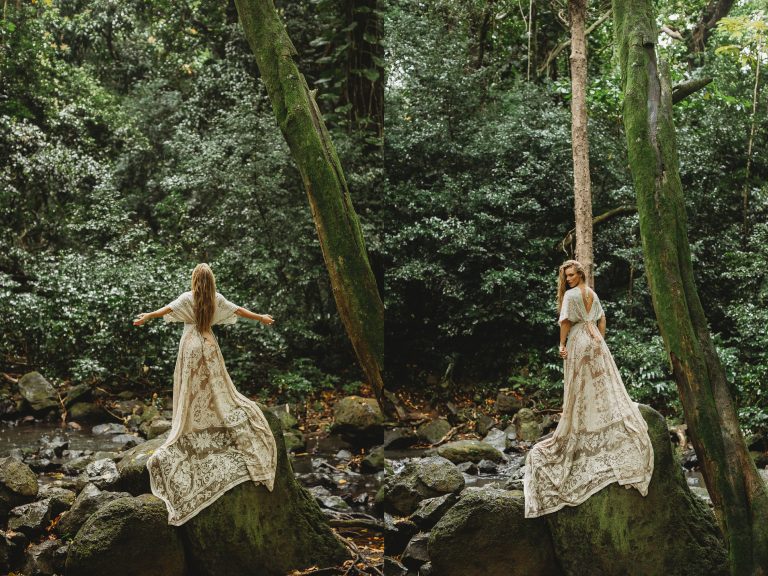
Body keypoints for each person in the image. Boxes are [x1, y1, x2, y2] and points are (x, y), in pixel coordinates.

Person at [133, 263, 278, 525]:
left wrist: (146, 317)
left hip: (191, 346)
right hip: (209, 345)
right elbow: (238, 310)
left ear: (194, 280)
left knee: (191, 387)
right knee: (215, 385)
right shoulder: (216, 299)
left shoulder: (187, 299)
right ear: (211, 281)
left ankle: (193, 419)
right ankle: (214, 414)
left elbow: (165, 310)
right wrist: (261, 318)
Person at [523, 259, 654, 518]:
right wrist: (598, 337)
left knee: (579, 387)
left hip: (580, 341)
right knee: (601, 383)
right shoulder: (591, 293)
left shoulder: (571, 296)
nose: (569, 279)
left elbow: (565, 323)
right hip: (596, 341)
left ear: (580, 274)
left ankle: (581, 425)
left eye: (571, 275)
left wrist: (562, 345)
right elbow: (603, 319)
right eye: (567, 276)